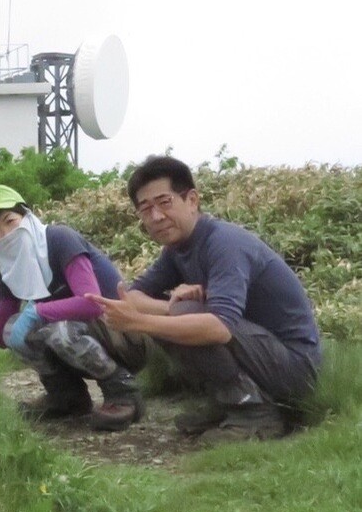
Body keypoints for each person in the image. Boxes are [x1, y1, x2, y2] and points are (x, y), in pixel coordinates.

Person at [89, 155, 322, 441]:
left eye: (165, 203)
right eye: (145, 209)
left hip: (296, 368)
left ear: (192, 200)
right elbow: (132, 296)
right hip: (261, 352)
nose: (156, 217)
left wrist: (143, 321)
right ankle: (229, 404)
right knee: (182, 312)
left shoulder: (224, 242)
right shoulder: (177, 250)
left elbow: (217, 327)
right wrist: (171, 307)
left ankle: (256, 414)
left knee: (187, 314)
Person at [0, 185, 149, 430]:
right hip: (84, 337)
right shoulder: (9, 270)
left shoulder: (58, 239)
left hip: (123, 334)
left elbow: (92, 303)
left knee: (58, 328)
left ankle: (123, 391)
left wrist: (37, 312)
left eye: (10, 221)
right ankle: (67, 397)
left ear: (26, 216)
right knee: (15, 329)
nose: (6, 233)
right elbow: (4, 338)